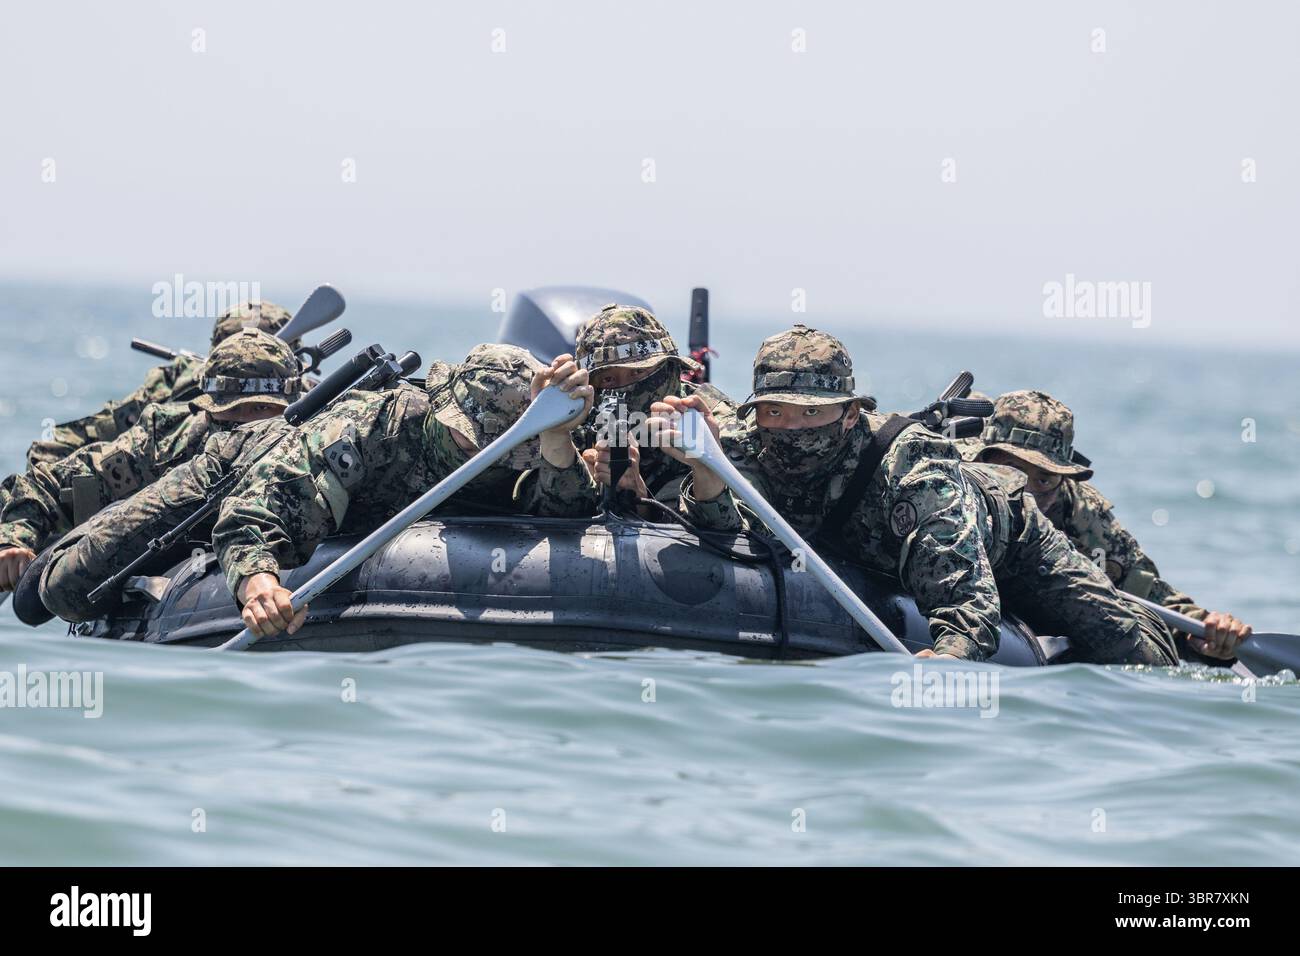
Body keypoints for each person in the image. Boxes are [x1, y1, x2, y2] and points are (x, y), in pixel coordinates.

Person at [650, 324, 1178, 665]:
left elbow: (961, 588)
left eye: (811, 412)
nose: (790, 427)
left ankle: (1151, 619)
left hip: (1012, 543)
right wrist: (704, 469)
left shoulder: (912, 466)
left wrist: (952, 654)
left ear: (851, 413)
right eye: (775, 411)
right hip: (875, 556)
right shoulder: (738, 446)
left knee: (1131, 651)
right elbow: (724, 531)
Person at [212, 345, 594, 640]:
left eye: (502, 449)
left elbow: (566, 516)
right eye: (472, 442)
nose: (484, 458)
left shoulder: (527, 453)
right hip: (237, 456)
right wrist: (258, 582)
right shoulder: (371, 428)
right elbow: (256, 506)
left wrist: (557, 436)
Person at [0, 328, 301, 590]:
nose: (246, 422)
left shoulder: (309, 439)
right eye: (233, 410)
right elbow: (48, 485)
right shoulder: (164, 441)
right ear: (209, 409)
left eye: (261, 409)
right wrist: (13, 539)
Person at [970, 389, 1251, 660]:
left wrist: (1208, 633)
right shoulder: (952, 474)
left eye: (1044, 479)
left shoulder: (1084, 518)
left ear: (1062, 479)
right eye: (1011, 469)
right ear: (984, 458)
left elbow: (1151, 596)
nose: (1025, 491)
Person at [534, 304, 736, 515]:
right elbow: (542, 523)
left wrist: (706, 470)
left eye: (639, 372)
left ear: (670, 368)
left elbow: (743, 536)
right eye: (609, 379)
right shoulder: (575, 420)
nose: (627, 389)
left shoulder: (709, 424)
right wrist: (558, 443)